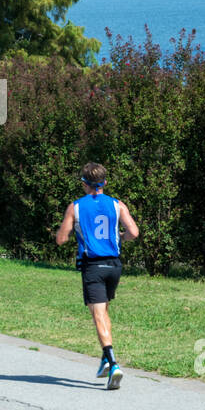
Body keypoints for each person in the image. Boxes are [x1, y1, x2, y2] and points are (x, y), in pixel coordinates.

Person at [55, 162, 139, 390]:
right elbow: (133, 232)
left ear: (84, 183)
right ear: (105, 183)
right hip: (114, 266)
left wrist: (67, 230)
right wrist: (119, 236)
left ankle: (113, 364)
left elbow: (61, 239)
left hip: (93, 265)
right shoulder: (117, 204)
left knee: (98, 314)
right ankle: (104, 358)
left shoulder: (76, 207)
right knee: (102, 309)